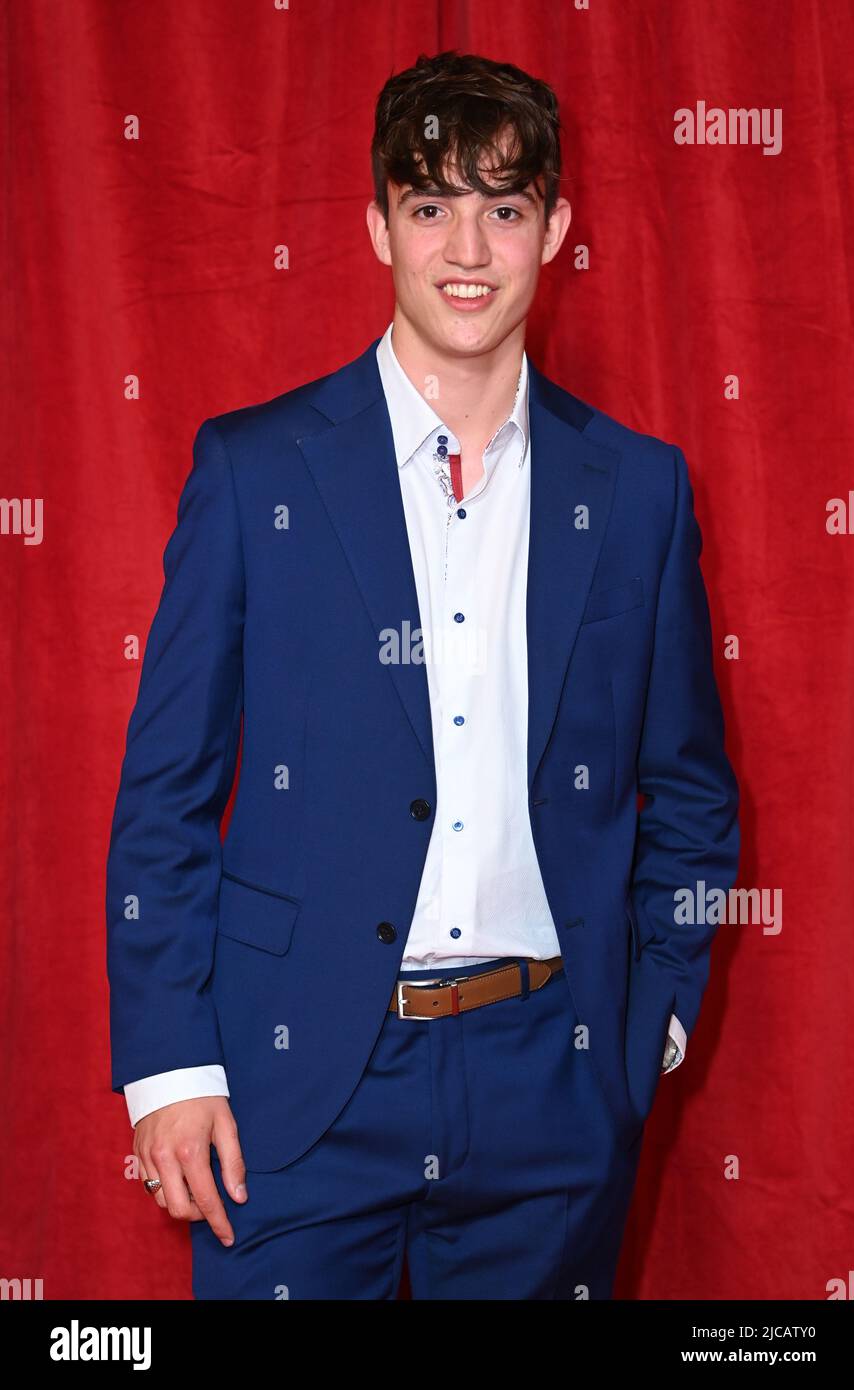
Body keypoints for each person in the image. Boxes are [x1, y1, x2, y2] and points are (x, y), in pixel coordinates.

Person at [106, 49, 739, 1300]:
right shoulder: (254, 472)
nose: (467, 246)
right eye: (429, 204)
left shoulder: (638, 491)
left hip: (550, 1084)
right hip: (299, 1083)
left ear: (553, 228)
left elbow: (694, 796)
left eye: (503, 208)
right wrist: (172, 1070)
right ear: (376, 225)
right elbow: (163, 796)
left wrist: (641, 1031)